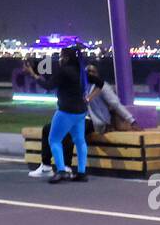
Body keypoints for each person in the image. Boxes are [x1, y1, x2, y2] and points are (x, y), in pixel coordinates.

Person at [29, 65, 140, 177]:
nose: (90, 73)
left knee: (69, 132)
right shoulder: (79, 86)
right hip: (79, 117)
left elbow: (116, 104)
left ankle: (67, 166)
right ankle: (46, 166)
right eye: (88, 72)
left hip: (95, 121)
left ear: (97, 74)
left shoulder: (102, 87)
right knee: (48, 128)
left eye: (93, 71)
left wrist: (132, 120)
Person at [22, 45, 90, 184]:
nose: (59, 59)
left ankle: (61, 171)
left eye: (60, 56)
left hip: (66, 111)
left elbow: (48, 86)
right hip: (81, 112)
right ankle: (82, 173)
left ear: (65, 58)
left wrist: (33, 74)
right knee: (79, 140)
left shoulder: (64, 71)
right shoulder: (80, 71)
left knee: (54, 139)